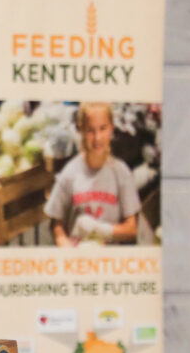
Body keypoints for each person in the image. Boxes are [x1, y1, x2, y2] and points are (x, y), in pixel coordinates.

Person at [43, 102, 141, 246]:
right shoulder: (70, 173)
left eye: (103, 128)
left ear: (112, 128)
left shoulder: (121, 172)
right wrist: (64, 245)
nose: (97, 138)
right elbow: (56, 224)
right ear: (80, 130)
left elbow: (131, 229)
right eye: (90, 130)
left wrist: (99, 230)